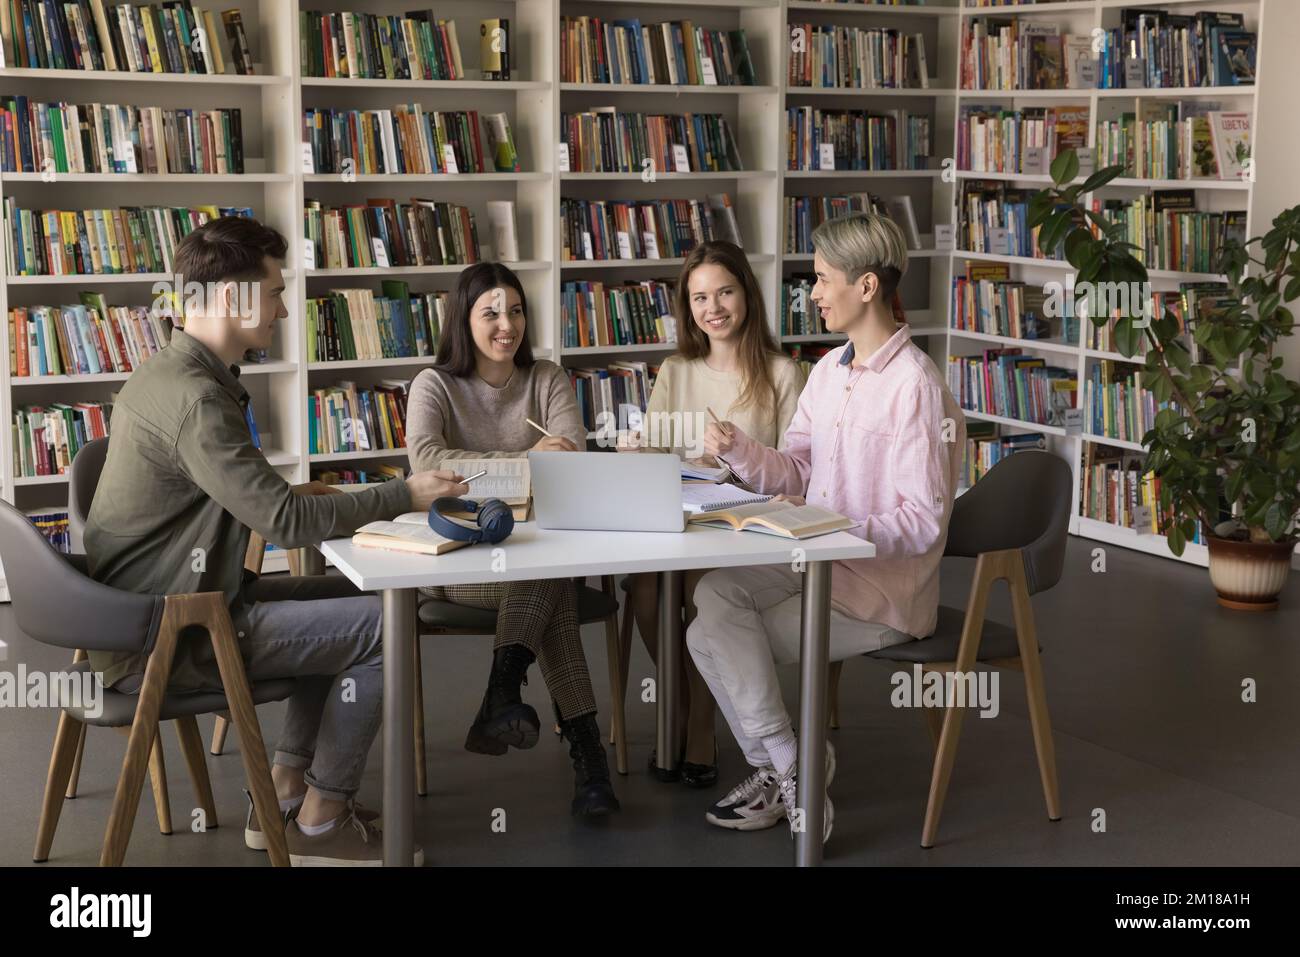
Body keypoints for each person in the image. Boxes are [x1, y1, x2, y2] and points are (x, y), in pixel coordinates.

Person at [85, 215, 469, 865]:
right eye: (275, 291)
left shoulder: (170, 372)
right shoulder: (197, 399)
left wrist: (304, 495)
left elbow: (238, 490)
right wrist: (405, 494)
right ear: (232, 298)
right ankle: (321, 820)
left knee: (340, 593)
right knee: (382, 624)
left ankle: (287, 792)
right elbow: (283, 524)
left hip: (149, 611)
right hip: (171, 632)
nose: (286, 308)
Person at [687, 213, 965, 843]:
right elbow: (796, 471)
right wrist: (739, 449)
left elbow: (923, 522)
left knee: (710, 639)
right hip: (816, 565)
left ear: (866, 287)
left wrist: (833, 529)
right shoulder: (829, 371)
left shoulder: (914, 387)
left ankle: (781, 771)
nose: (812, 292)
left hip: (879, 595)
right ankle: (790, 766)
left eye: (821, 278)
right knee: (711, 597)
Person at [405, 261, 619, 817]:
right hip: (459, 566)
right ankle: (586, 754)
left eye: (517, 310)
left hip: (538, 555)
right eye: (491, 312)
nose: (508, 324)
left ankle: (504, 695)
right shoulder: (435, 385)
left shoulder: (545, 378)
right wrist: (527, 461)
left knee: (545, 575)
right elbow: (428, 465)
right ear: (464, 319)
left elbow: (570, 461)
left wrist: (489, 468)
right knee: (555, 593)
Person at [619, 241, 804, 787]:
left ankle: (698, 723)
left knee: (702, 593)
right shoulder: (676, 370)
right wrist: (640, 450)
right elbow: (656, 453)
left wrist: (733, 458)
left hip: (744, 527)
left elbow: (797, 468)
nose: (713, 307)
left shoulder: (782, 373)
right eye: (699, 297)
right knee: (647, 591)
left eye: (724, 291)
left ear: (746, 292)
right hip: (679, 519)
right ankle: (678, 700)